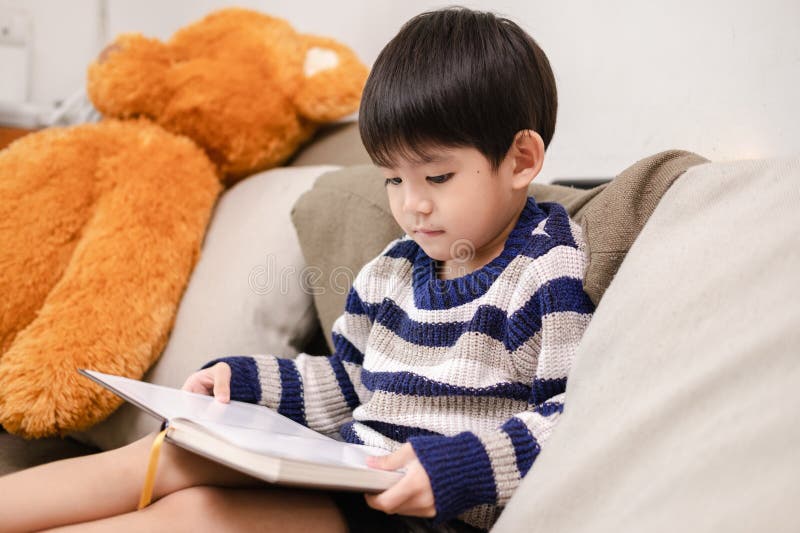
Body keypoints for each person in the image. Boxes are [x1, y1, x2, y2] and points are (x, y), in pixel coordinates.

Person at [0, 7, 593, 532]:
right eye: (393, 179)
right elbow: (349, 383)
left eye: (437, 177)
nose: (412, 204)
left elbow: (577, 418)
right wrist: (245, 381)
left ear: (521, 160)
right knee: (175, 449)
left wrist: (458, 469)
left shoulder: (544, 268)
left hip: (428, 512)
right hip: (352, 474)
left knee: (200, 516)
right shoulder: (392, 271)